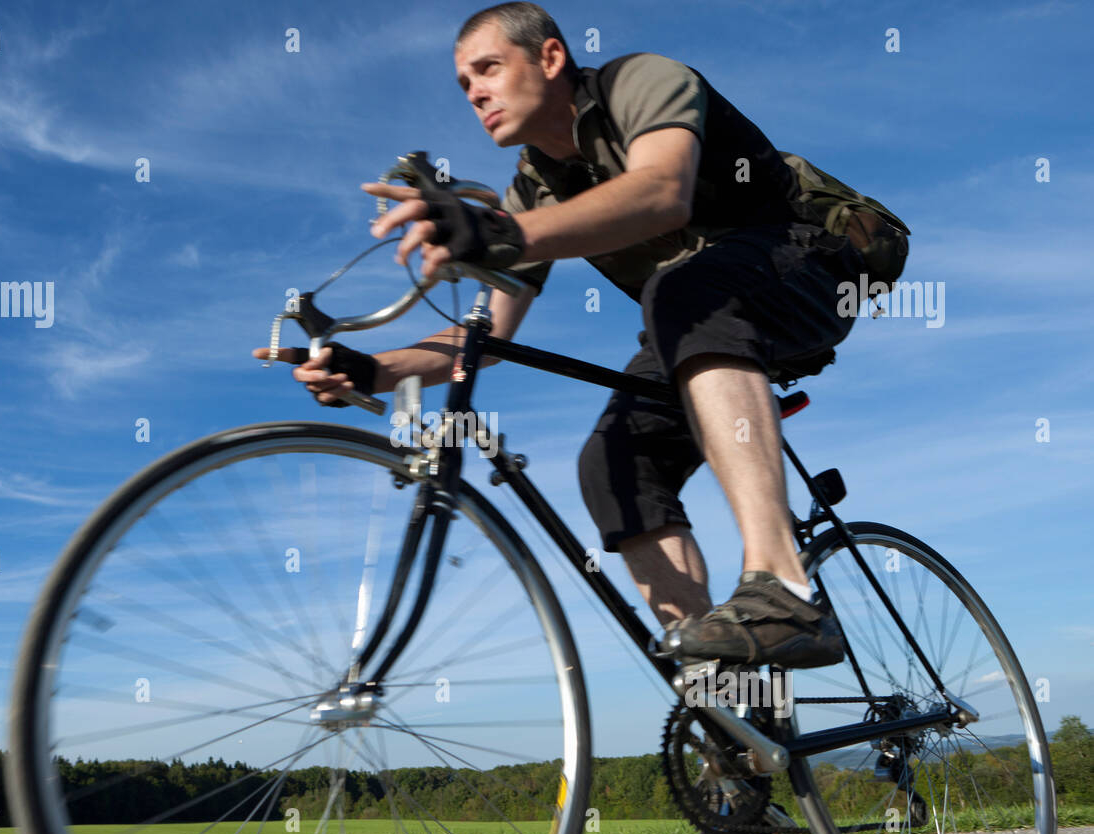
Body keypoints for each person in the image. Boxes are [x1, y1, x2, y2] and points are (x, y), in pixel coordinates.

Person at [253, 2, 871, 669]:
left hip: (810, 266)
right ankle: (729, 706)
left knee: (687, 288)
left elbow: (663, 191)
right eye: (464, 85)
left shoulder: (642, 82)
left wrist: (500, 235)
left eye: (488, 68)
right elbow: (478, 339)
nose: (476, 93)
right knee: (611, 463)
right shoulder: (535, 188)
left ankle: (784, 591)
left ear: (549, 57)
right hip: (699, 319)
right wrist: (372, 370)